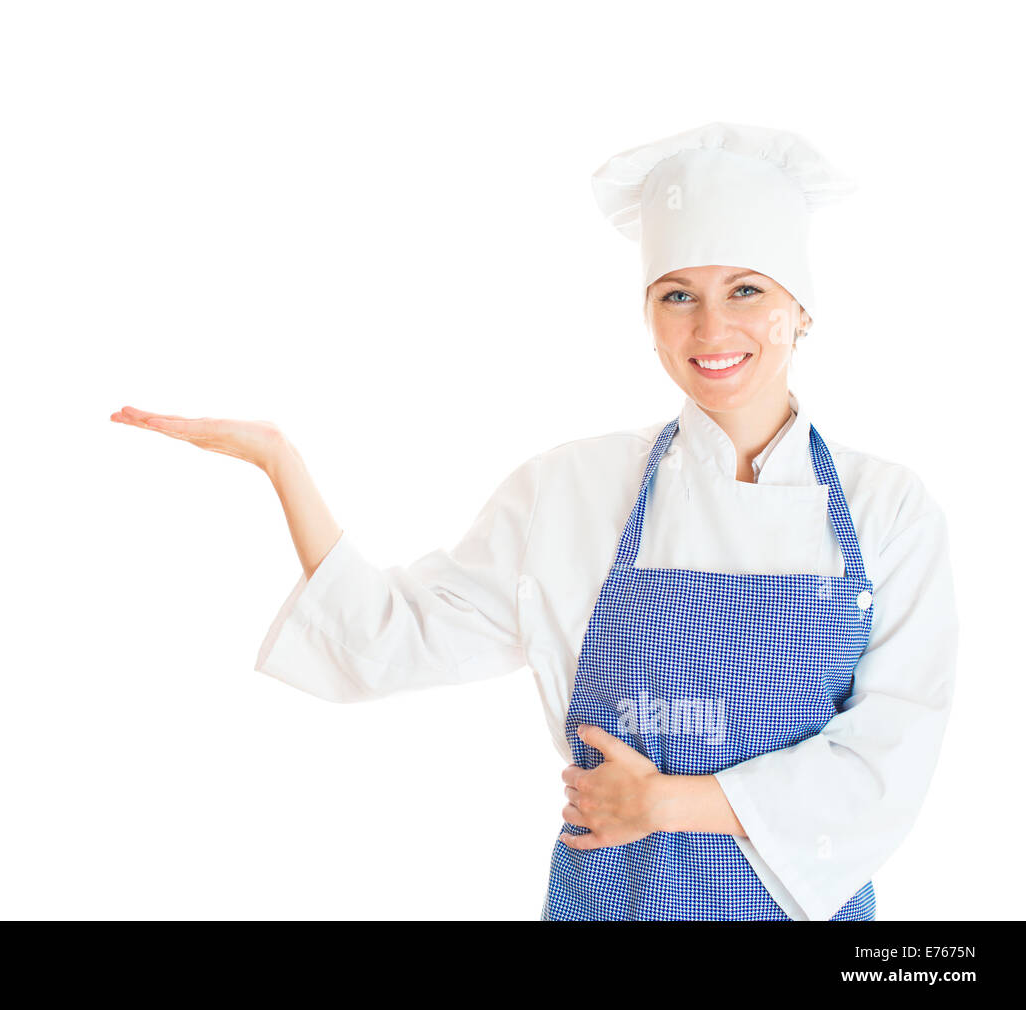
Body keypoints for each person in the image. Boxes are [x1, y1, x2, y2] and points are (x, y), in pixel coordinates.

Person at [110, 121, 959, 921]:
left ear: (802, 309)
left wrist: (664, 802)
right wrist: (280, 462)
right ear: (647, 319)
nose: (712, 327)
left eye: (747, 289)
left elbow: (891, 761)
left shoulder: (888, 508)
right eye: (676, 296)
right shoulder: (574, 491)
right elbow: (390, 635)